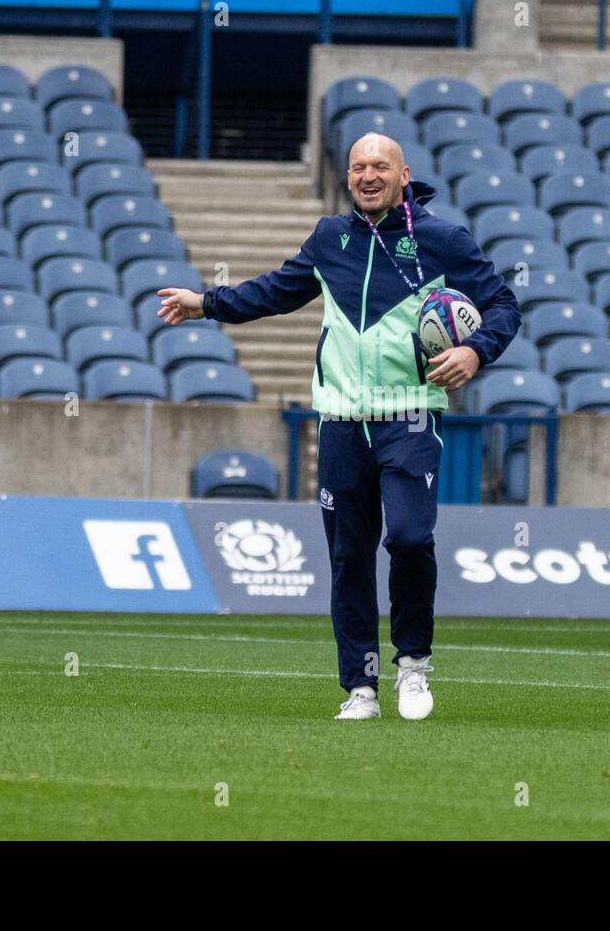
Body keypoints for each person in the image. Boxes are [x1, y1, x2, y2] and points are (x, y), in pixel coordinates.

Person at [158, 133, 521, 720]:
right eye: (358, 167)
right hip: (341, 423)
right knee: (349, 557)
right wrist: (207, 302)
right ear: (348, 177)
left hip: (409, 416)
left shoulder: (442, 240)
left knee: (407, 538)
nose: (367, 175)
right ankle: (361, 687)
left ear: (405, 174)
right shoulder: (330, 238)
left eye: (380, 165)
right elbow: (276, 291)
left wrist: (476, 351)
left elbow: (504, 304)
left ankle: (413, 665)